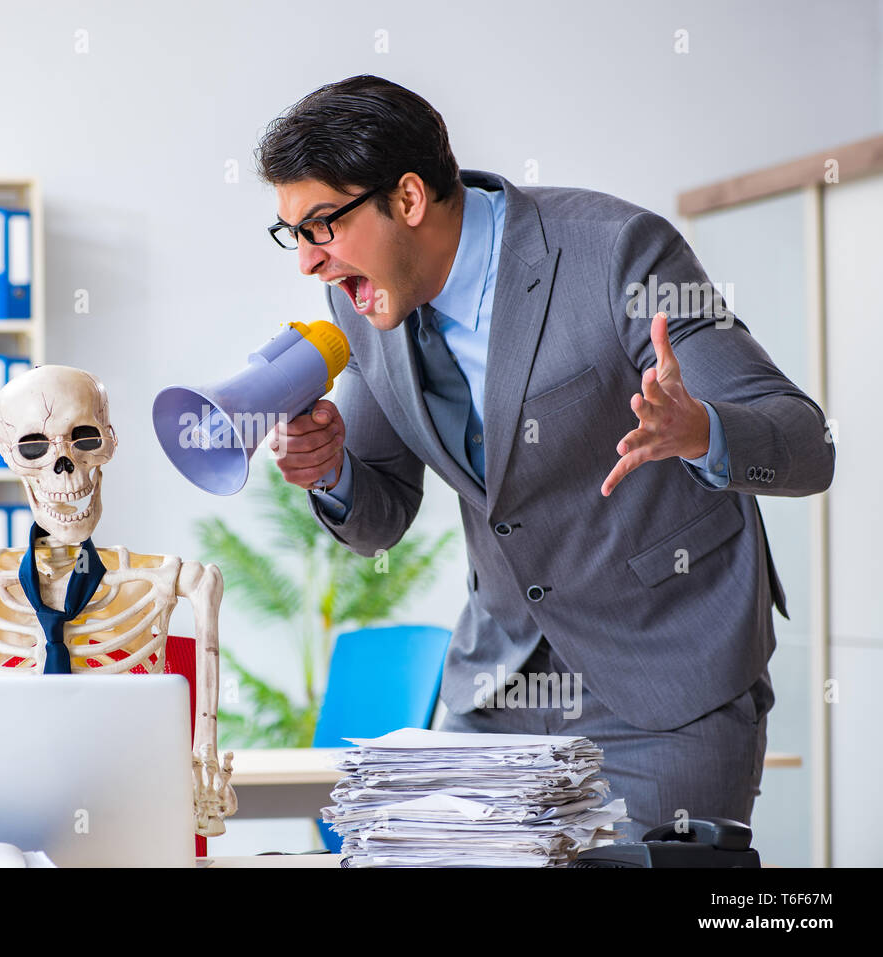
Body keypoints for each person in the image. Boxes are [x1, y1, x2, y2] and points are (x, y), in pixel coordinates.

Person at [256, 74, 835, 841]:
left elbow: (804, 441)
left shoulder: (615, 252)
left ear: (406, 199)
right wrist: (328, 468)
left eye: (321, 225)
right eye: (291, 233)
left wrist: (701, 431)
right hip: (497, 693)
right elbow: (379, 516)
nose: (307, 262)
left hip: (665, 687)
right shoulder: (362, 302)